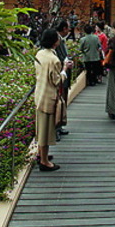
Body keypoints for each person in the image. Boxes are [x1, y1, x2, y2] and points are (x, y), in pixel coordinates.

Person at [34, 28, 72, 172]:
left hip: (39, 94)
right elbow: (57, 81)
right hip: (49, 97)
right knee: (46, 130)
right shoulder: (54, 59)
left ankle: (40, 154)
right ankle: (44, 161)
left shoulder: (40, 54)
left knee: (41, 128)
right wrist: (64, 69)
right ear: (55, 41)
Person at [54, 20, 72, 140]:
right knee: (58, 101)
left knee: (62, 101)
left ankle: (59, 127)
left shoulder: (61, 39)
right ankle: (56, 129)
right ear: (64, 28)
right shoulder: (58, 40)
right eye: (68, 28)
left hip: (64, 73)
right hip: (60, 74)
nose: (69, 30)